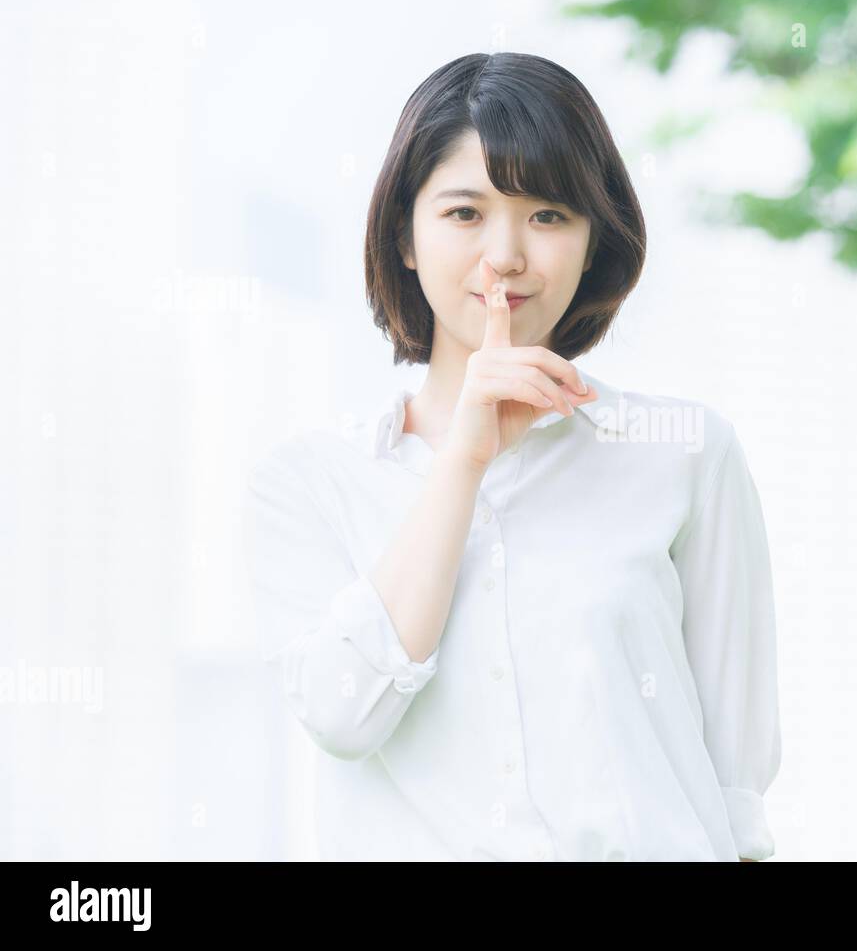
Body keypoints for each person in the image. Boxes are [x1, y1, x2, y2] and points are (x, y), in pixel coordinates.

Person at [241, 52, 781, 861]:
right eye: (465, 213)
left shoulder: (688, 455)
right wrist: (463, 458)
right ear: (407, 237)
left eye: (549, 215)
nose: (505, 255)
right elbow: (343, 713)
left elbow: (734, 782)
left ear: (594, 239)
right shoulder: (311, 481)